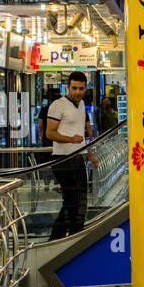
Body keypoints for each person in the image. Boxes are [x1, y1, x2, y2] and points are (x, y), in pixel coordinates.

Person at [46, 70, 94, 240]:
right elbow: (49, 133)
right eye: (74, 88)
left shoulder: (81, 105)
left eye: (81, 89)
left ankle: (73, 236)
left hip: (78, 158)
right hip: (63, 159)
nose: (77, 92)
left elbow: (83, 131)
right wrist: (70, 139)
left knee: (80, 201)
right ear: (68, 87)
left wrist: (89, 153)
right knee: (71, 201)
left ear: (85, 88)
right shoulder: (58, 105)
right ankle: (58, 239)